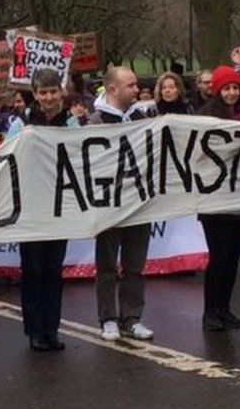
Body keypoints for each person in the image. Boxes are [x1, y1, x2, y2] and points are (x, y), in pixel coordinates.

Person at [89, 67, 155, 341]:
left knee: (134, 264)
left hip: (138, 202)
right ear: (113, 89)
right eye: (130, 85)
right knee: (106, 264)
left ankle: (132, 317)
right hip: (109, 205)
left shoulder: (144, 117)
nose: (136, 89)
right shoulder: (95, 121)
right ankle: (108, 318)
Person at [20, 69, 79, 352]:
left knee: (54, 269)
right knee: (33, 268)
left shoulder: (71, 122)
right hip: (31, 207)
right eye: (43, 93)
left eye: (53, 91)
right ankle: (34, 329)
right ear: (35, 94)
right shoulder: (21, 123)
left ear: (61, 91)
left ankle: (51, 328)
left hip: (59, 207)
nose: (49, 97)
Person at [197, 66, 240, 331]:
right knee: (219, 257)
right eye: (227, 88)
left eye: (235, 88)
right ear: (217, 90)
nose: (232, 93)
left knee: (232, 257)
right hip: (217, 200)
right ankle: (210, 311)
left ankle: (225, 309)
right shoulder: (207, 116)